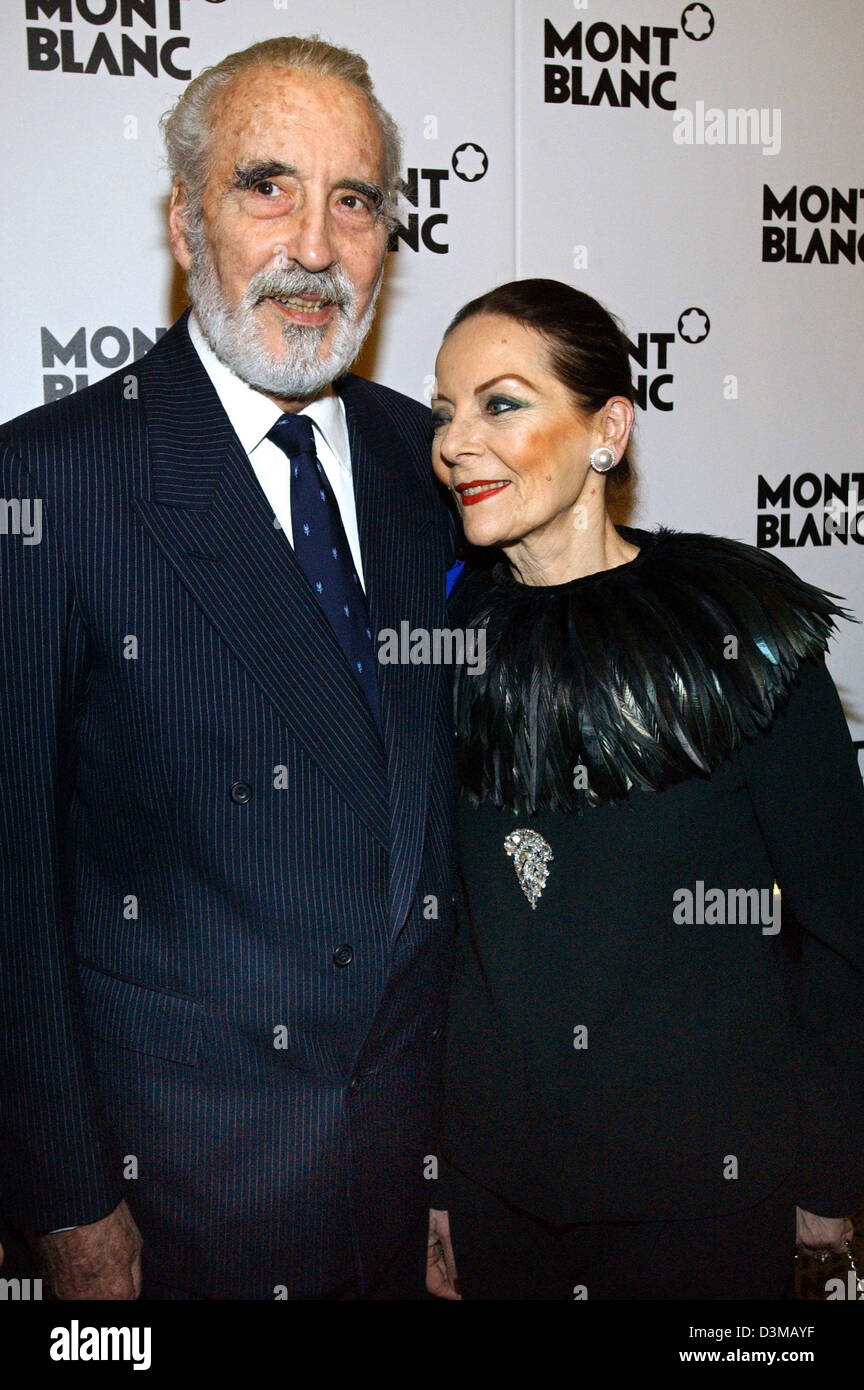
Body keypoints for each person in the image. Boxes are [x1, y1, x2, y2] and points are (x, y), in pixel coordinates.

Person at [0, 36, 456, 1300]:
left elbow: (451, 850)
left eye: (355, 201)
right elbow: (12, 896)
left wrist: (458, 1170)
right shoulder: (53, 482)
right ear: (186, 225)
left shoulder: (439, 474)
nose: (315, 245)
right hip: (175, 1211)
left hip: (409, 1187)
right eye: (270, 187)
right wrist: (69, 1209)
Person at [425, 278, 864, 1300]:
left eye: (501, 403)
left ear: (607, 428)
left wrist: (832, 1171)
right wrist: (438, 1176)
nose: (456, 441)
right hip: (500, 1195)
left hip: (703, 1199)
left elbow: (843, 929)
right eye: (445, 411)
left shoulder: (736, 637)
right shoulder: (441, 643)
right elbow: (443, 944)